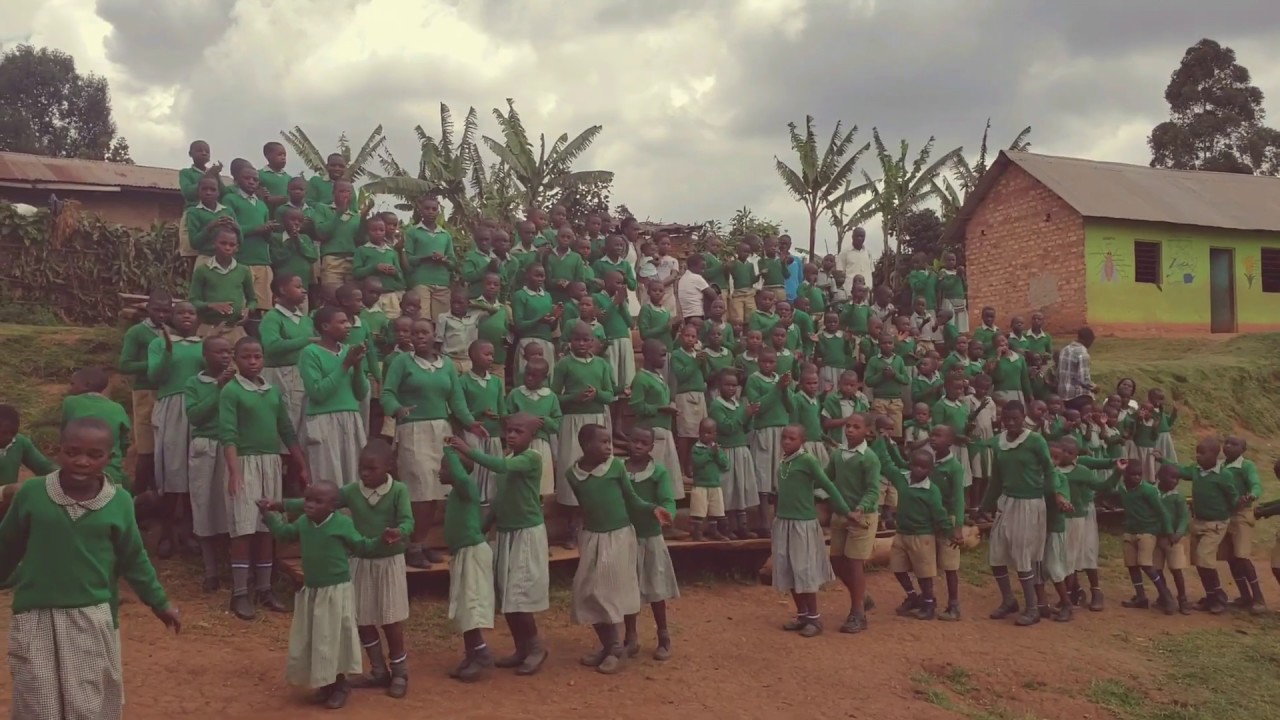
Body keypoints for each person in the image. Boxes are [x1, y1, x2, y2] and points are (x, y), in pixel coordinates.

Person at [0, 418, 181, 720]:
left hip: (91, 617)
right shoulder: (32, 494)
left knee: (86, 704)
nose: (81, 461)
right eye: (72, 452)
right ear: (58, 451)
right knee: (37, 702)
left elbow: (134, 559)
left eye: (94, 455)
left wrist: (160, 602)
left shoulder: (119, 502)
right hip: (36, 616)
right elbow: (6, 546)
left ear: (109, 458)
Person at [258, 482, 399, 710]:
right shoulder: (304, 523)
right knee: (316, 638)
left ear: (333, 506)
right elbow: (284, 535)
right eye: (308, 500)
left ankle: (340, 686)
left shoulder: (342, 524)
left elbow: (362, 546)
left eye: (318, 501)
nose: (310, 505)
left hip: (335, 592)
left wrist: (382, 541)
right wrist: (268, 514)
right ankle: (326, 686)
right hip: (313, 591)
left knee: (331, 640)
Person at [446, 414, 550, 677]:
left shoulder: (531, 459)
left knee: (520, 596)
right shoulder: (510, 459)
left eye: (519, 431)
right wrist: (483, 526)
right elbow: (498, 500)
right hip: (505, 533)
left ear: (532, 437)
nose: (512, 435)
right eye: (509, 431)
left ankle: (536, 648)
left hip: (526, 533)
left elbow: (499, 467)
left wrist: (468, 450)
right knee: (508, 597)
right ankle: (521, 648)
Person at [565, 424, 671, 674]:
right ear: (586, 445)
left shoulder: (615, 468)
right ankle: (607, 645)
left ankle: (615, 648)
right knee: (586, 591)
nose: (609, 447)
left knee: (606, 591)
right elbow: (584, 507)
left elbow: (631, 498)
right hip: (592, 537)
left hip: (619, 536)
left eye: (610, 442)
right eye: (603, 442)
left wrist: (652, 508)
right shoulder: (573, 475)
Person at [220, 336, 309, 620]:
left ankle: (264, 587)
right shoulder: (231, 392)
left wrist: (301, 464)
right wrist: (234, 473)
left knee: (267, 526)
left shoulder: (271, 391)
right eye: (246, 357)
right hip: (244, 463)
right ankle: (239, 593)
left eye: (257, 356)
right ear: (236, 358)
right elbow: (228, 434)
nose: (253, 362)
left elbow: (286, 429)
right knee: (243, 527)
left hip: (270, 462)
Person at [382, 319, 480, 568]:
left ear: (434, 334)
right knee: (419, 487)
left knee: (436, 487)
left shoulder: (446, 364)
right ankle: (410, 545)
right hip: (413, 430)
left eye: (424, 332)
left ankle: (422, 543)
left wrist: (470, 424)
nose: (419, 337)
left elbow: (456, 399)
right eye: (414, 333)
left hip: (441, 430)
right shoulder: (401, 362)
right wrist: (397, 409)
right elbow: (387, 393)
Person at [773, 425, 855, 637]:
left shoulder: (808, 461)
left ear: (802, 440)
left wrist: (846, 511)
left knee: (804, 570)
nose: (787, 441)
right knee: (788, 568)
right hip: (784, 522)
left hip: (802, 524)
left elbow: (828, 485)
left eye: (792, 438)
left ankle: (814, 619)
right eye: (784, 437)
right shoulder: (783, 460)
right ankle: (802, 615)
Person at [980, 400, 1055, 626]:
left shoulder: (1035, 441)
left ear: (1024, 417)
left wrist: (1053, 499)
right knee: (997, 552)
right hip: (1008, 502)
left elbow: (1050, 471)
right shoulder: (1000, 443)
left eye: (1015, 418)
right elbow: (996, 479)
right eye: (1007, 419)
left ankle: (1032, 608)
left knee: (1023, 555)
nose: (1011, 423)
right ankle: (1008, 600)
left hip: (1030, 504)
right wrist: (984, 505)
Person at [147, 301, 205, 556]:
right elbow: (154, 377)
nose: (186, 317)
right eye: (181, 313)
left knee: (196, 470)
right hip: (171, 406)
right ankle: (167, 534)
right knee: (171, 469)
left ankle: (192, 531)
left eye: (191, 313)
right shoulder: (159, 342)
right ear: (171, 317)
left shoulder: (204, 344)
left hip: (199, 407)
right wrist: (169, 351)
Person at [622, 426, 680, 661]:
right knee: (628, 588)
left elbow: (667, 499)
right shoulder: (619, 470)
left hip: (651, 536)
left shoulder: (658, 472)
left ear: (651, 447)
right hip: (626, 536)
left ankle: (663, 635)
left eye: (643, 443)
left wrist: (667, 513)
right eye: (634, 441)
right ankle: (630, 637)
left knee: (656, 588)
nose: (638, 446)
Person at [183, 337, 235, 592]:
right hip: (205, 447)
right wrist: (218, 388)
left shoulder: (239, 381)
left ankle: (233, 569)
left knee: (230, 507)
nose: (225, 356)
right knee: (204, 507)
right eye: (219, 352)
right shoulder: (194, 383)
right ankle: (210, 571)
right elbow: (195, 416)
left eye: (229, 352)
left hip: (230, 448)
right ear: (205, 355)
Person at [439, 447, 494, 682]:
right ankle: (472, 653)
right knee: (463, 606)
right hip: (462, 553)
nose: (439, 471)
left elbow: (461, 476)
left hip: (473, 552)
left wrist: (448, 448)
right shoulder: (455, 494)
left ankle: (481, 653)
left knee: (471, 605)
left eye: (444, 466)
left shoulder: (467, 489)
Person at [299, 306, 369, 490]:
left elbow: (361, 394)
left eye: (348, 321)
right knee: (328, 480)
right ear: (325, 326)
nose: (348, 326)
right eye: (342, 322)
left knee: (354, 480)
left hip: (351, 419)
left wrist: (358, 366)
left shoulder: (349, 351)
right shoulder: (310, 353)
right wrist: (345, 365)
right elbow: (318, 393)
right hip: (324, 420)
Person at [825, 414, 882, 633]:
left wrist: (860, 508)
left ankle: (857, 614)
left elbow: (873, 489)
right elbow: (826, 477)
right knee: (836, 561)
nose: (849, 430)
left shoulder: (869, 458)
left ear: (867, 430)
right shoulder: (839, 454)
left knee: (854, 562)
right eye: (847, 426)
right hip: (841, 514)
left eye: (856, 427)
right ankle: (862, 597)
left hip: (862, 518)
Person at [886, 447, 957, 621]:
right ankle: (913, 596)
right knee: (897, 568)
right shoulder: (902, 480)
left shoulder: (931, 491)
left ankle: (929, 603)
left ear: (930, 470)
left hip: (922, 535)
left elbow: (939, 514)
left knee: (924, 573)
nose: (918, 469)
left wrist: (950, 533)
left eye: (923, 467)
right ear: (909, 465)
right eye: (915, 465)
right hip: (902, 533)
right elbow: (886, 464)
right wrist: (884, 439)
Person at [1103, 458, 1175, 614]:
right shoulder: (1123, 489)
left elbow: (1162, 512)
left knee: (1146, 564)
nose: (1137, 477)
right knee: (1132, 565)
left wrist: (1168, 531)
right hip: (1130, 531)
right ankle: (1140, 597)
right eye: (1133, 475)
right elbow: (1107, 489)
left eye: (1139, 475)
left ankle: (1166, 596)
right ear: (1125, 475)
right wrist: (1117, 472)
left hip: (1147, 531)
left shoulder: (1148, 491)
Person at [117, 291, 171, 496]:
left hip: (168, 393)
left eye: (166, 310)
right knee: (147, 450)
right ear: (148, 309)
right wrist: (156, 365)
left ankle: (158, 499)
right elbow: (125, 364)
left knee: (166, 451)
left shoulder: (172, 331)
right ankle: (136, 500)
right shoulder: (137, 333)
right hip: (146, 392)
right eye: (157, 310)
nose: (162, 315)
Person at [259, 273, 315, 455]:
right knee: (286, 426)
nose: (304, 290)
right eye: (298, 286)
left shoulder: (305, 320)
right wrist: (306, 340)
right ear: (283, 290)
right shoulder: (272, 318)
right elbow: (271, 346)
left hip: (303, 375)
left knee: (302, 427)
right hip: (281, 375)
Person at [221, 160, 277, 316]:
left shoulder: (262, 205)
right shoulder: (230, 200)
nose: (252, 182)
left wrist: (268, 231)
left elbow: (267, 238)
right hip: (242, 260)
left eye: (255, 179)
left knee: (263, 307)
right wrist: (258, 229)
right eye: (247, 178)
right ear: (237, 180)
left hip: (263, 261)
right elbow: (230, 228)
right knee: (241, 304)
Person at [709, 371, 761, 539]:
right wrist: (745, 413)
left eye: (734, 385)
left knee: (741, 488)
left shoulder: (738, 404)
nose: (731, 388)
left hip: (741, 449)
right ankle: (726, 527)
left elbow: (744, 428)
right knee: (728, 490)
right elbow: (727, 427)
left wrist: (750, 416)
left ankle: (742, 526)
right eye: (727, 385)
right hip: (727, 451)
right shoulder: (716, 406)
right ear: (719, 387)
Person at [746, 348, 791, 536]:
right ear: (758, 361)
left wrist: (786, 389)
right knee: (763, 476)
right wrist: (777, 388)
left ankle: (779, 521)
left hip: (781, 430)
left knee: (780, 476)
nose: (767, 365)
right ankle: (764, 523)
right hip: (764, 430)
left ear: (776, 363)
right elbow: (759, 407)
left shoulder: (780, 379)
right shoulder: (754, 379)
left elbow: (791, 406)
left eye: (771, 362)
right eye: (764, 362)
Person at [1220, 435, 1266, 613]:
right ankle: (1245, 596)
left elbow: (1255, 484)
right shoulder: (1221, 465)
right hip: (1225, 515)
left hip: (1241, 514)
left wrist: (1253, 494)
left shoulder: (1246, 466)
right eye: (1227, 442)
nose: (1228, 446)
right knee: (1231, 557)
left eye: (1234, 444)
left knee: (1242, 556)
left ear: (1243, 450)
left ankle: (1259, 598)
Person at [505, 358, 561, 498]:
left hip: (541, 443)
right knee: (519, 480)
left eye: (534, 376)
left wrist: (544, 421)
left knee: (542, 481)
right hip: (518, 445)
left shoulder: (551, 397)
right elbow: (506, 418)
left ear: (544, 377)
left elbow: (557, 424)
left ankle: (540, 511)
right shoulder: (515, 394)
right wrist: (523, 422)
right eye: (527, 374)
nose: (529, 378)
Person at [189, 226, 256, 342]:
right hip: (209, 328)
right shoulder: (203, 270)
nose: (227, 248)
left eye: (232, 245)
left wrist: (248, 310)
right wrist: (211, 305)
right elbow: (193, 301)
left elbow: (253, 300)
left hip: (235, 330)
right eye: (223, 243)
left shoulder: (243, 270)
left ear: (237, 248)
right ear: (214, 244)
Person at [1153, 464, 1193, 614]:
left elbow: (1184, 517)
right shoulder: (1154, 493)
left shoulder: (1178, 497)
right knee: (1157, 569)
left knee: (1176, 569)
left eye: (1177, 478)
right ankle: (1164, 595)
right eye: (1172, 477)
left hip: (1172, 539)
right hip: (1157, 536)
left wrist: (1179, 533)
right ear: (1159, 476)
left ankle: (1182, 598)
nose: (1175, 481)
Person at [513, 264, 560, 382]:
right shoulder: (520, 295)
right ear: (527, 276)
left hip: (546, 343)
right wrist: (539, 320)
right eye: (536, 275)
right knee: (527, 378)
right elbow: (519, 325)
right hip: (528, 342)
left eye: (542, 276)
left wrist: (556, 317)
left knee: (547, 379)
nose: (540, 279)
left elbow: (552, 327)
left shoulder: (547, 296)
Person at [671, 324, 708, 476]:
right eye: (687, 336)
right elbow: (681, 375)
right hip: (685, 396)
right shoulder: (676, 355)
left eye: (693, 336)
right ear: (681, 337)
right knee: (685, 433)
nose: (690, 339)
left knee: (697, 433)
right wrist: (695, 363)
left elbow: (705, 374)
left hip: (699, 395)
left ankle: (691, 464)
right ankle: (681, 465)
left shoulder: (697, 354)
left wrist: (703, 362)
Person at [353, 215, 406, 314]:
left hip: (390, 294)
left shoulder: (391, 252)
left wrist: (394, 272)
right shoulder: (362, 250)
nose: (378, 233)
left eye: (381, 230)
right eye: (374, 230)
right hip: (371, 297)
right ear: (368, 232)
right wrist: (375, 267)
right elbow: (356, 272)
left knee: (393, 320)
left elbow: (400, 276)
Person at [270, 208, 320, 310]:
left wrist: (298, 241)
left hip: (303, 288)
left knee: (301, 315)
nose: (296, 223)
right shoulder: (276, 238)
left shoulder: (305, 238)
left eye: (300, 221)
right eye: (292, 219)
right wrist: (291, 241)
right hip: (283, 291)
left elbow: (313, 256)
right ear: (284, 220)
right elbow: (277, 258)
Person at [0, 405, 55, 495]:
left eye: (13, 432)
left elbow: (44, 467)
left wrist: (66, 477)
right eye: (4, 432)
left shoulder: (19, 442)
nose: (9, 437)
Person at [689, 418, 729, 541]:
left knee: (715, 510)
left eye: (709, 433)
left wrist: (717, 454)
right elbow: (697, 463)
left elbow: (725, 465)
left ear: (715, 434)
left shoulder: (717, 449)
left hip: (714, 485)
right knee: (699, 511)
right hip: (700, 485)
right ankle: (697, 533)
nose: (705, 435)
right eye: (703, 432)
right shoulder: (696, 448)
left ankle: (713, 532)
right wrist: (710, 454)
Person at [865, 333, 908, 438]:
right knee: (879, 433)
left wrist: (894, 375)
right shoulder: (873, 360)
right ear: (879, 345)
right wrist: (881, 375)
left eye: (890, 343)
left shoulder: (899, 360)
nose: (887, 345)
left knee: (896, 432)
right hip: (879, 401)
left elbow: (906, 380)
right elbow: (868, 381)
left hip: (896, 401)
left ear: (894, 345)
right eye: (884, 343)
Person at [184, 176, 237, 260]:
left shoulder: (228, 211)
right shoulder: (194, 212)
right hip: (206, 258)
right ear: (198, 192)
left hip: (227, 259)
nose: (208, 192)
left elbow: (240, 240)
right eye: (204, 189)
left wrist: (235, 226)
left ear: (218, 192)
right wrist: (210, 227)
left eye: (213, 189)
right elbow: (194, 243)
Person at [1057, 327, 1097, 413]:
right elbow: (1085, 380)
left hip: (1062, 394)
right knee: (1095, 408)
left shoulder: (1064, 349)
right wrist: (1095, 387)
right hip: (1076, 396)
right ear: (1088, 340)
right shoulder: (1082, 353)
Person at [678, 253, 715, 323]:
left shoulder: (683, 278)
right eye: (701, 268)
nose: (703, 271)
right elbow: (713, 296)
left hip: (685, 315)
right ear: (692, 266)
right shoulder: (696, 278)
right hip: (696, 314)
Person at [936, 251, 967, 332]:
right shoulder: (943, 272)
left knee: (960, 325)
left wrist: (962, 275)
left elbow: (965, 286)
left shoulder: (958, 271)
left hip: (959, 301)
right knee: (950, 324)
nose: (951, 262)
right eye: (949, 260)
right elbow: (945, 286)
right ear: (945, 262)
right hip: (948, 301)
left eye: (953, 260)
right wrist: (957, 276)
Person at [837, 227, 874, 294]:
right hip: (849, 291)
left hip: (866, 291)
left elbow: (871, 272)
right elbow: (839, 272)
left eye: (862, 236)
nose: (859, 238)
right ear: (852, 237)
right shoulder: (845, 252)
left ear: (864, 238)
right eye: (857, 236)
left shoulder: (868, 253)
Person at [257, 141, 291, 206]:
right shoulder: (259, 175)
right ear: (268, 156)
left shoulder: (289, 178)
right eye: (279, 155)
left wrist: (284, 198)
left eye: (284, 155)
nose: (283, 157)